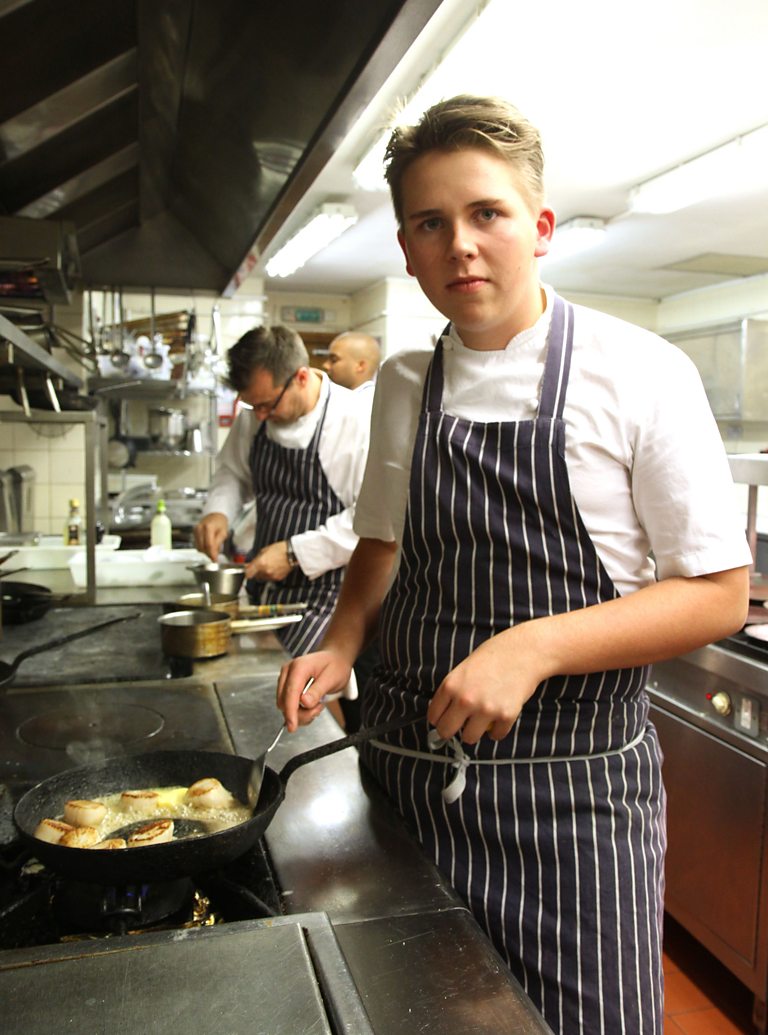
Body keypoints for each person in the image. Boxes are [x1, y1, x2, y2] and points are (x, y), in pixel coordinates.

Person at [276, 96, 751, 1034]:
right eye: (430, 223)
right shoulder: (408, 383)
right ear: (407, 251)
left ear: (539, 229)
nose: (461, 244)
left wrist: (531, 645)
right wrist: (341, 639)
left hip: (573, 808)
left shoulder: (641, 371)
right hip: (408, 781)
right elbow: (381, 541)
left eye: (486, 213)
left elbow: (718, 595)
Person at [194, 324, 370, 659]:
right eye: (252, 406)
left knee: (300, 682)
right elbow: (233, 473)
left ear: (301, 377)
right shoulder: (254, 418)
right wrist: (217, 512)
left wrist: (295, 553)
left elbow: (371, 518)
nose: (260, 415)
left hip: (331, 592)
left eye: (266, 405)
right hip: (265, 582)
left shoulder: (355, 421)